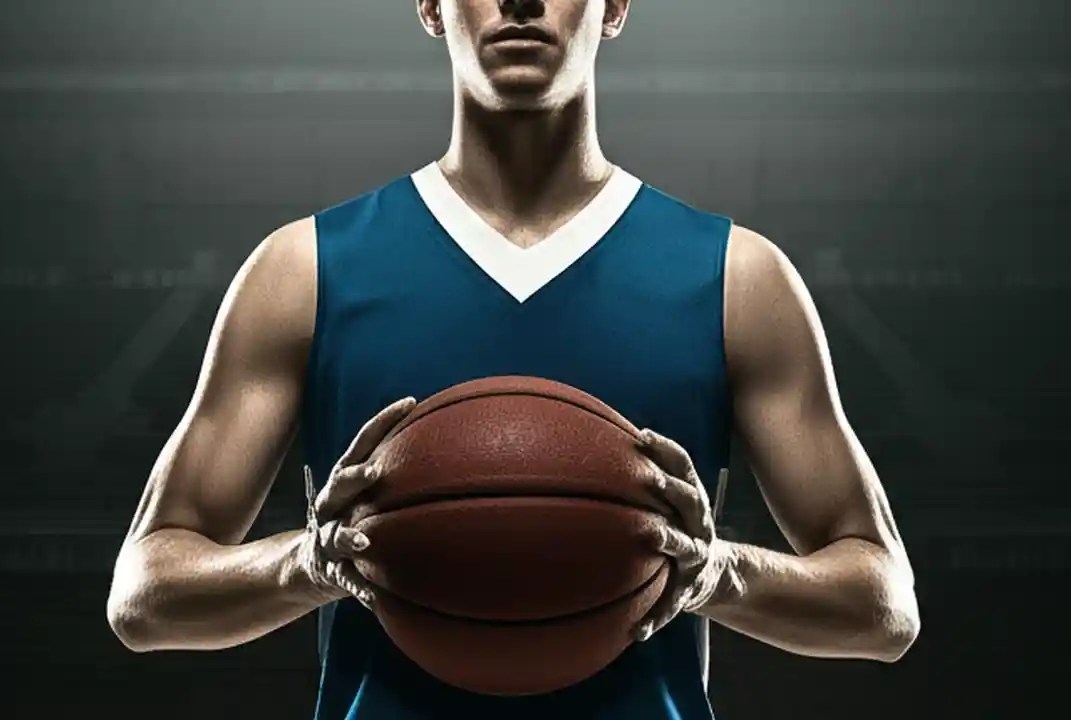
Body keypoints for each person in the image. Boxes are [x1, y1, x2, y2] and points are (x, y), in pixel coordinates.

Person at [105, 1, 920, 717]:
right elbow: (144, 595)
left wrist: (716, 575)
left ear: (615, 6)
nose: (520, 0)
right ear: (430, 6)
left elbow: (883, 606)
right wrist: (310, 562)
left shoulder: (736, 277)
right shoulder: (305, 271)